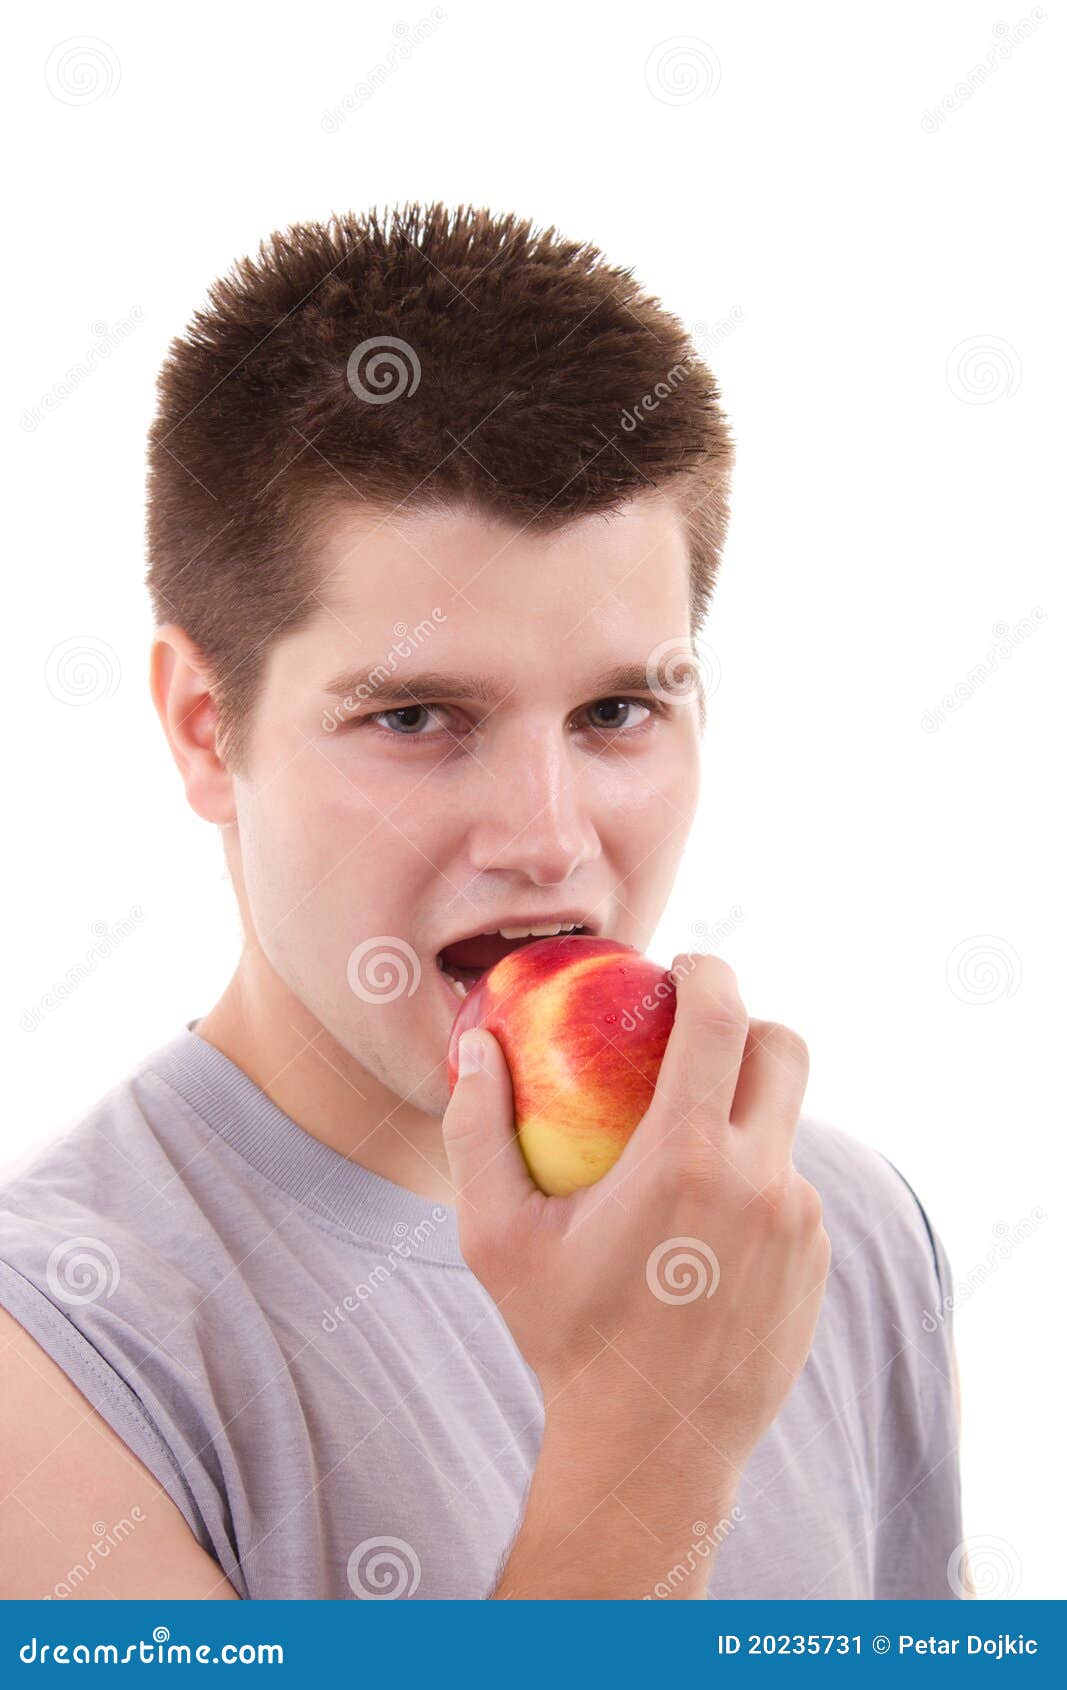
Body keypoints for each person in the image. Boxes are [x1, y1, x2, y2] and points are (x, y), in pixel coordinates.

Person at [0, 203, 963, 1601]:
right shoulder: (59, 1358)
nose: (548, 836)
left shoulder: (821, 1226)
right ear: (208, 727)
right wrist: (652, 1446)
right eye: (417, 716)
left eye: (618, 708)